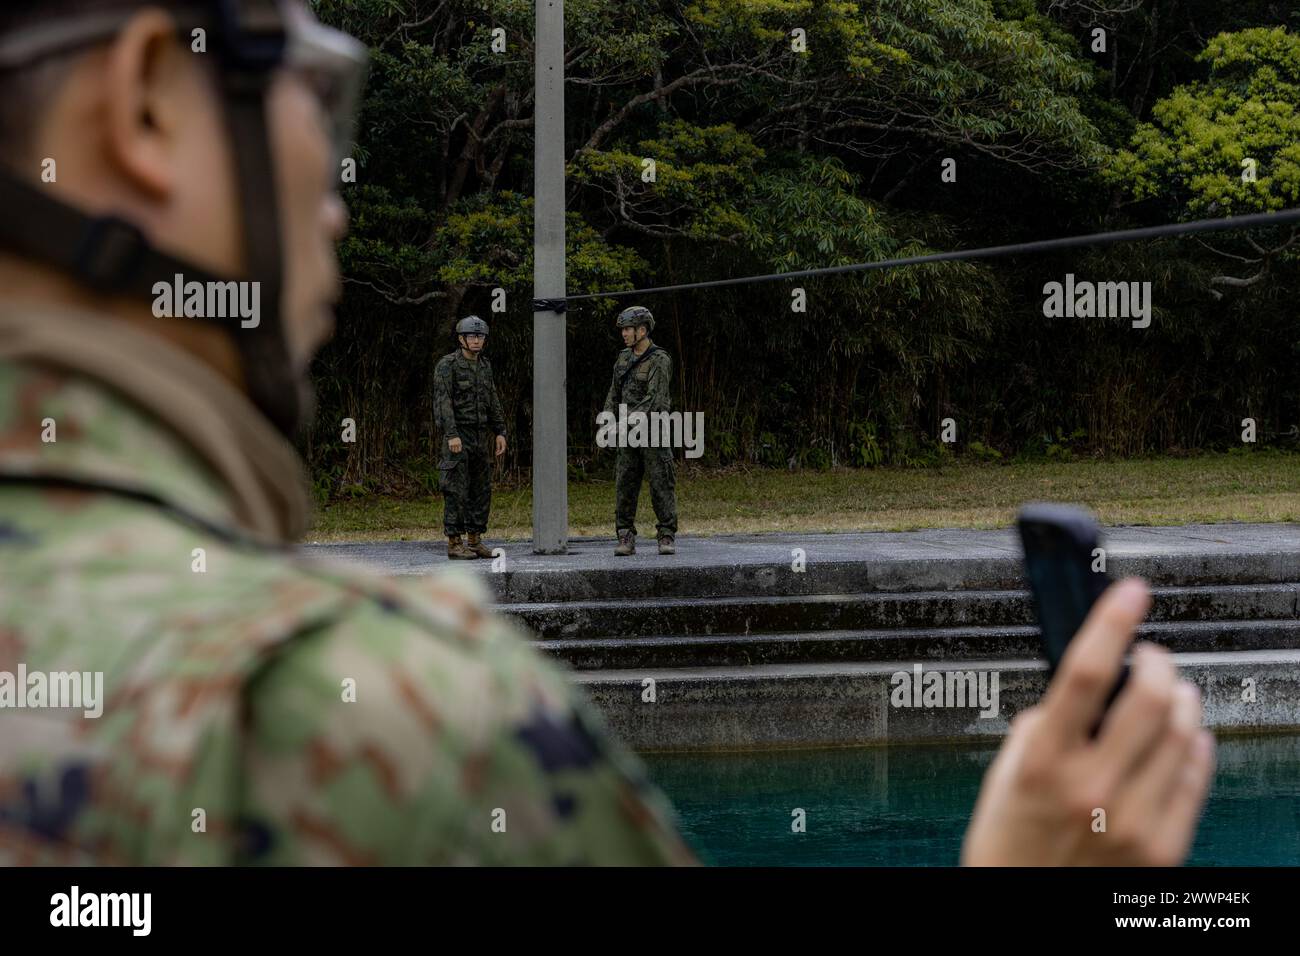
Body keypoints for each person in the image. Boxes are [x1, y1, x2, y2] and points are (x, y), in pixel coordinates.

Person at [0, 0, 1213, 867]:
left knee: (641, 494)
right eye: (308, 98)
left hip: (630, 442)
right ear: (146, 101)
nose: (331, 196)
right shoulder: (368, 708)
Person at [603, 305, 678, 556]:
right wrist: (608, 421)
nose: (624, 333)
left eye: (628, 329)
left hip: (653, 431)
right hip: (627, 433)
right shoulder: (623, 358)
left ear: (642, 330)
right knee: (625, 483)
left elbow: (655, 400)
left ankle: (666, 535)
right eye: (623, 329)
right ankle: (625, 535)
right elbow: (614, 392)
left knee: (661, 483)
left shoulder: (660, 359)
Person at [432, 315, 507, 560]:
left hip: (479, 435)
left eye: (481, 336)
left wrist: (500, 431)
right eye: (472, 336)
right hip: (458, 436)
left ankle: (475, 540)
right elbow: (443, 402)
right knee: (456, 489)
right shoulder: (448, 365)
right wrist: (451, 434)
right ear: (462, 339)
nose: (477, 340)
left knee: (481, 489)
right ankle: (455, 542)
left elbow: (492, 399)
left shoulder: (484, 366)